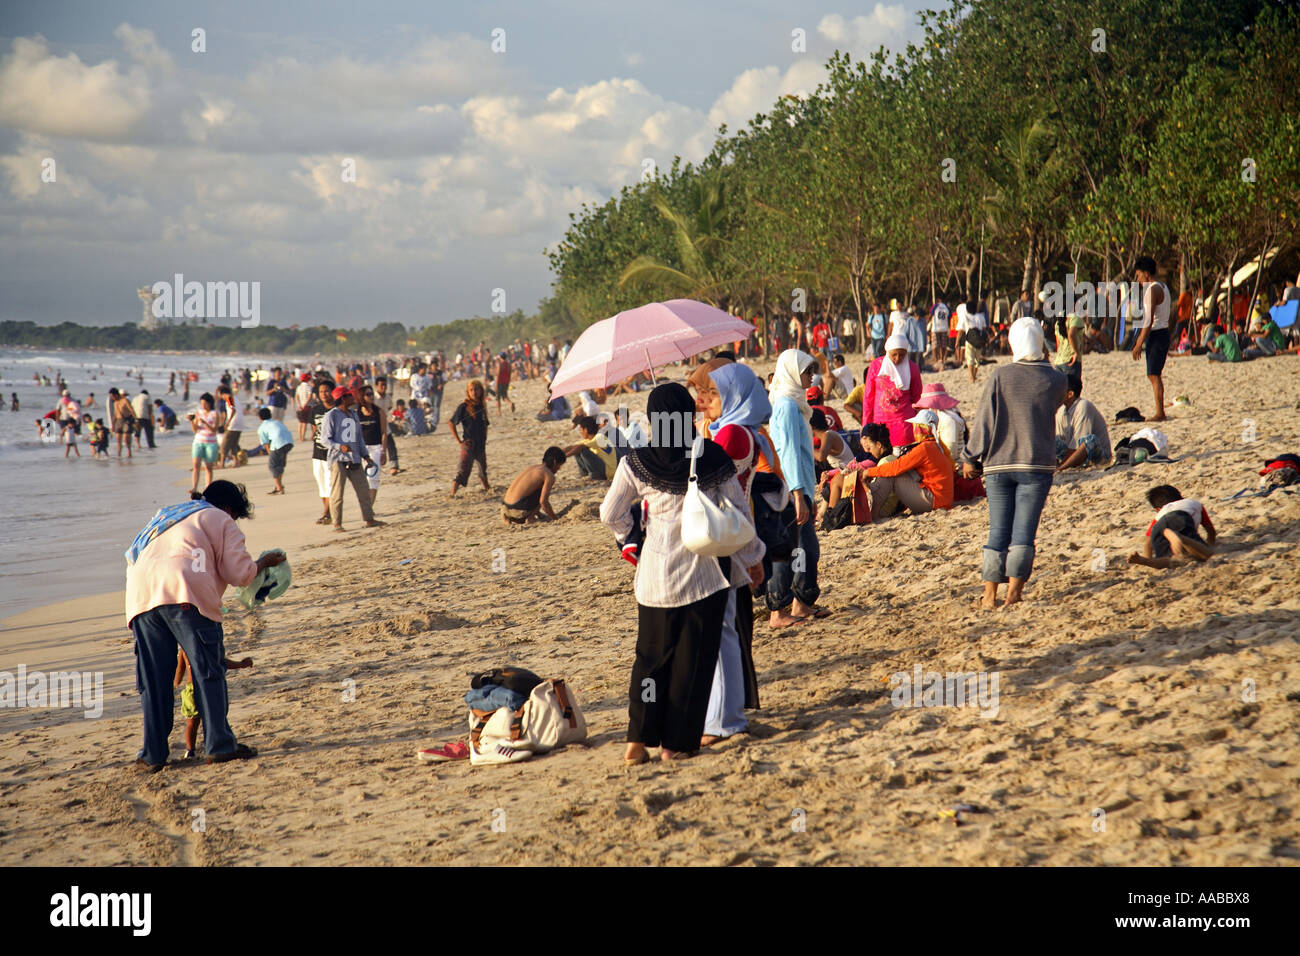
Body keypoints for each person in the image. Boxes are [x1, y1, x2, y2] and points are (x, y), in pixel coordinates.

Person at [599, 383, 764, 764]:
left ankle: (636, 742)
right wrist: (753, 559)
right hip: (703, 575)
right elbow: (737, 514)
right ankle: (675, 745)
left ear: (655, 418)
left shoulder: (636, 461)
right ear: (688, 415)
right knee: (692, 663)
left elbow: (610, 513)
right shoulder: (712, 457)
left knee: (651, 661)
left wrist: (632, 539)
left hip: (655, 576)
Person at [126, 480, 285, 770]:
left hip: (140, 595)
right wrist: (262, 563)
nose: (234, 520)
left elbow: (133, 553)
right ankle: (220, 745)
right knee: (207, 672)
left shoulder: (166, 514)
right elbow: (241, 574)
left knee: (153, 680)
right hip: (186, 594)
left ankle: (152, 755)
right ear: (228, 508)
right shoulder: (220, 518)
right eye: (236, 515)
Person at [688, 360, 771, 746]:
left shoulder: (735, 434)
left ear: (735, 395)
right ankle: (727, 714)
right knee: (728, 629)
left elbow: (711, 479)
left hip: (729, 535)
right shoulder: (728, 429)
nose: (706, 402)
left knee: (725, 631)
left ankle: (726, 719)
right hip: (732, 533)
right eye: (704, 395)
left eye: (714, 394)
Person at [960, 318, 1067, 609]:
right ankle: (1014, 594)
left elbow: (985, 419)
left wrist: (970, 456)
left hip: (998, 465)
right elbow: (1061, 387)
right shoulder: (1056, 379)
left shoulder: (1000, 376)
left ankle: (989, 596)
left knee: (997, 531)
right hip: (1036, 465)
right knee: (1023, 533)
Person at [767, 350, 829, 626]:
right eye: (806, 372)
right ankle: (778, 610)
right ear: (792, 372)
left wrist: (808, 493)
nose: (811, 377)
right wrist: (797, 495)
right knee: (795, 549)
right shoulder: (788, 406)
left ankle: (800, 605)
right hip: (790, 488)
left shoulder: (794, 402)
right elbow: (789, 453)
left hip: (799, 486)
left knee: (803, 549)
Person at [863, 409, 953, 519]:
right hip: (942, 499)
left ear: (921, 428)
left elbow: (896, 467)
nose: (914, 430)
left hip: (935, 501)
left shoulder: (925, 448)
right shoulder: (937, 446)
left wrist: (868, 472)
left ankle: (872, 513)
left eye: (916, 427)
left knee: (891, 474)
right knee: (892, 471)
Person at [175, 647, 253, 760]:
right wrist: (240, 664)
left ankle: (190, 751)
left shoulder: (184, 649)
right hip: (206, 686)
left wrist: (174, 684)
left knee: (192, 723)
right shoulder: (205, 645)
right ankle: (214, 745)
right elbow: (221, 661)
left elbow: (180, 671)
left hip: (190, 688)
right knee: (213, 718)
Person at [322, 387, 382, 531]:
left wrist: (365, 456)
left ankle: (369, 519)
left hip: (354, 459)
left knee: (363, 490)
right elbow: (325, 439)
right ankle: (337, 523)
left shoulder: (354, 415)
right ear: (343, 398)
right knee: (337, 493)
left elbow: (359, 438)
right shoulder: (331, 415)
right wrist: (339, 446)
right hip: (338, 460)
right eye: (349, 395)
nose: (353, 397)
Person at [1128, 484, 1215, 569]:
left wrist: (1147, 558)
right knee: (1205, 555)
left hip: (1159, 527)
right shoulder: (1192, 503)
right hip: (1180, 518)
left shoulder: (1161, 513)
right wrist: (1209, 545)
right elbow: (1211, 532)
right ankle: (1180, 537)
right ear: (1181, 497)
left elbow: (1148, 543)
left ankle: (1145, 562)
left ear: (1158, 509)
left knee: (1172, 560)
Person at [862, 333, 923, 448]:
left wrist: (920, 425)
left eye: (902, 355)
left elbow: (918, 399)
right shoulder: (876, 366)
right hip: (879, 423)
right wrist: (865, 428)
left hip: (904, 423)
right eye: (893, 354)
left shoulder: (912, 368)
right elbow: (868, 398)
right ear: (887, 351)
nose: (897, 358)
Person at [1129, 256, 1171, 422]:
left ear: (1146, 274)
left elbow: (1148, 319)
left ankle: (1160, 412)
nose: (1138, 279)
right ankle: (1160, 411)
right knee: (1154, 374)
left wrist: (1139, 342)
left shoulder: (1152, 290)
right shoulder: (1163, 287)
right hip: (1162, 332)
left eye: (1138, 275)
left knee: (1153, 374)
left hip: (1157, 334)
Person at [1055, 374, 1112, 471]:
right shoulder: (1061, 411)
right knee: (1048, 439)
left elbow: (1077, 446)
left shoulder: (1083, 406)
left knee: (1090, 440)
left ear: (1070, 394)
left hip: (1097, 457)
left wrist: (1062, 465)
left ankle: (1061, 468)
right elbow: (1061, 441)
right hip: (1072, 455)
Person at [448, 380, 490, 497]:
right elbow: (451, 423)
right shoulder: (464, 407)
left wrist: (485, 438)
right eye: (471, 390)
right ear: (468, 392)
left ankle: (487, 488)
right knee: (463, 471)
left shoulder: (482, 406)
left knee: (483, 469)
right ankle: (452, 494)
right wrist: (459, 441)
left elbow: (485, 424)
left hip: (480, 444)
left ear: (481, 391)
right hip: (469, 444)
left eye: (476, 389)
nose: (474, 392)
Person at [502, 447, 565, 523]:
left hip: (505, 509)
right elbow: (543, 502)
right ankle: (531, 517)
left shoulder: (533, 468)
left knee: (533, 487)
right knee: (542, 492)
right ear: (555, 462)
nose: (559, 469)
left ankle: (533, 514)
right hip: (518, 513)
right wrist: (555, 519)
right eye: (559, 466)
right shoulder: (548, 475)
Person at [307, 380, 336, 524]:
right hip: (317, 452)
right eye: (321, 392)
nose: (323, 394)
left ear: (333, 392)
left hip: (333, 454)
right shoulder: (315, 410)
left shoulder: (337, 409)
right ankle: (327, 511)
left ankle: (327, 512)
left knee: (330, 483)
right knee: (321, 484)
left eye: (326, 391)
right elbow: (314, 429)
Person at [356, 385, 387, 504]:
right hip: (361, 449)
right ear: (361, 397)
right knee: (362, 480)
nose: (371, 397)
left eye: (372, 394)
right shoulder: (356, 413)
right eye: (368, 394)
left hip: (376, 448)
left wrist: (384, 451)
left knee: (373, 478)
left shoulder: (379, 412)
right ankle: (365, 505)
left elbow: (384, 433)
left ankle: (369, 507)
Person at [563, 415, 616, 480]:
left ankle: (594, 476)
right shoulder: (589, 440)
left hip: (608, 471)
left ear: (585, 430)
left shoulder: (600, 437)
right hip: (602, 468)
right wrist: (558, 453)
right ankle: (584, 474)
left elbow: (581, 447)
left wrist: (564, 457)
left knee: (584, 451)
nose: (580, 432)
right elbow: (572, 447)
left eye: (581, 430)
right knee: (576, 450)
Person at [256, 407, 294, 495]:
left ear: (259, 418)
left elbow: (265, 443)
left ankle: (279, 488)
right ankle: (279, 486)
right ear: (270, 415)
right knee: (280, 464)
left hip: (278, 444)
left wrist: (270, 453)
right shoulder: (277, 422)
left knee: (272, 466)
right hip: (289, 442)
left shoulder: (261, 428)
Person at [215, 385, 244, 468]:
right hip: (240, 424)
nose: (221, 398)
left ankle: (222, 464)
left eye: (221, 396)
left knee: (225, 444)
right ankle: (236, 462)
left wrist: (227, 422)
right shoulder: (236, 399)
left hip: (233, 424)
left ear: (223, 394)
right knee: (233, 444)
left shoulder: (229, 398)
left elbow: (233, 409)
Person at [108, 388, 136, 458]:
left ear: (116, 395)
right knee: (118, 439)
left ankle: (129, 452)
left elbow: (131, 410)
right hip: (118, 421)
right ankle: (119, 455)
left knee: (126, 438)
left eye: (112, 396)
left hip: (126, 420)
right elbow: (115, 414)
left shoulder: (125, 400)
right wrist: (112, 425)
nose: (112, 398)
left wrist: (136, 420)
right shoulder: (115, 403)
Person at [294, 373, 314, 441]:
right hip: (307, 406)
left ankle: (300, 436)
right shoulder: (308, 387)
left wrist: (299, 404)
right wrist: (305, 404)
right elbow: (309, 396)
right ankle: (302, 437)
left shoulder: (298, 387)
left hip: (300, 406)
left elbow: (296, 396)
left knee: (300, 422)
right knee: (305, 422)